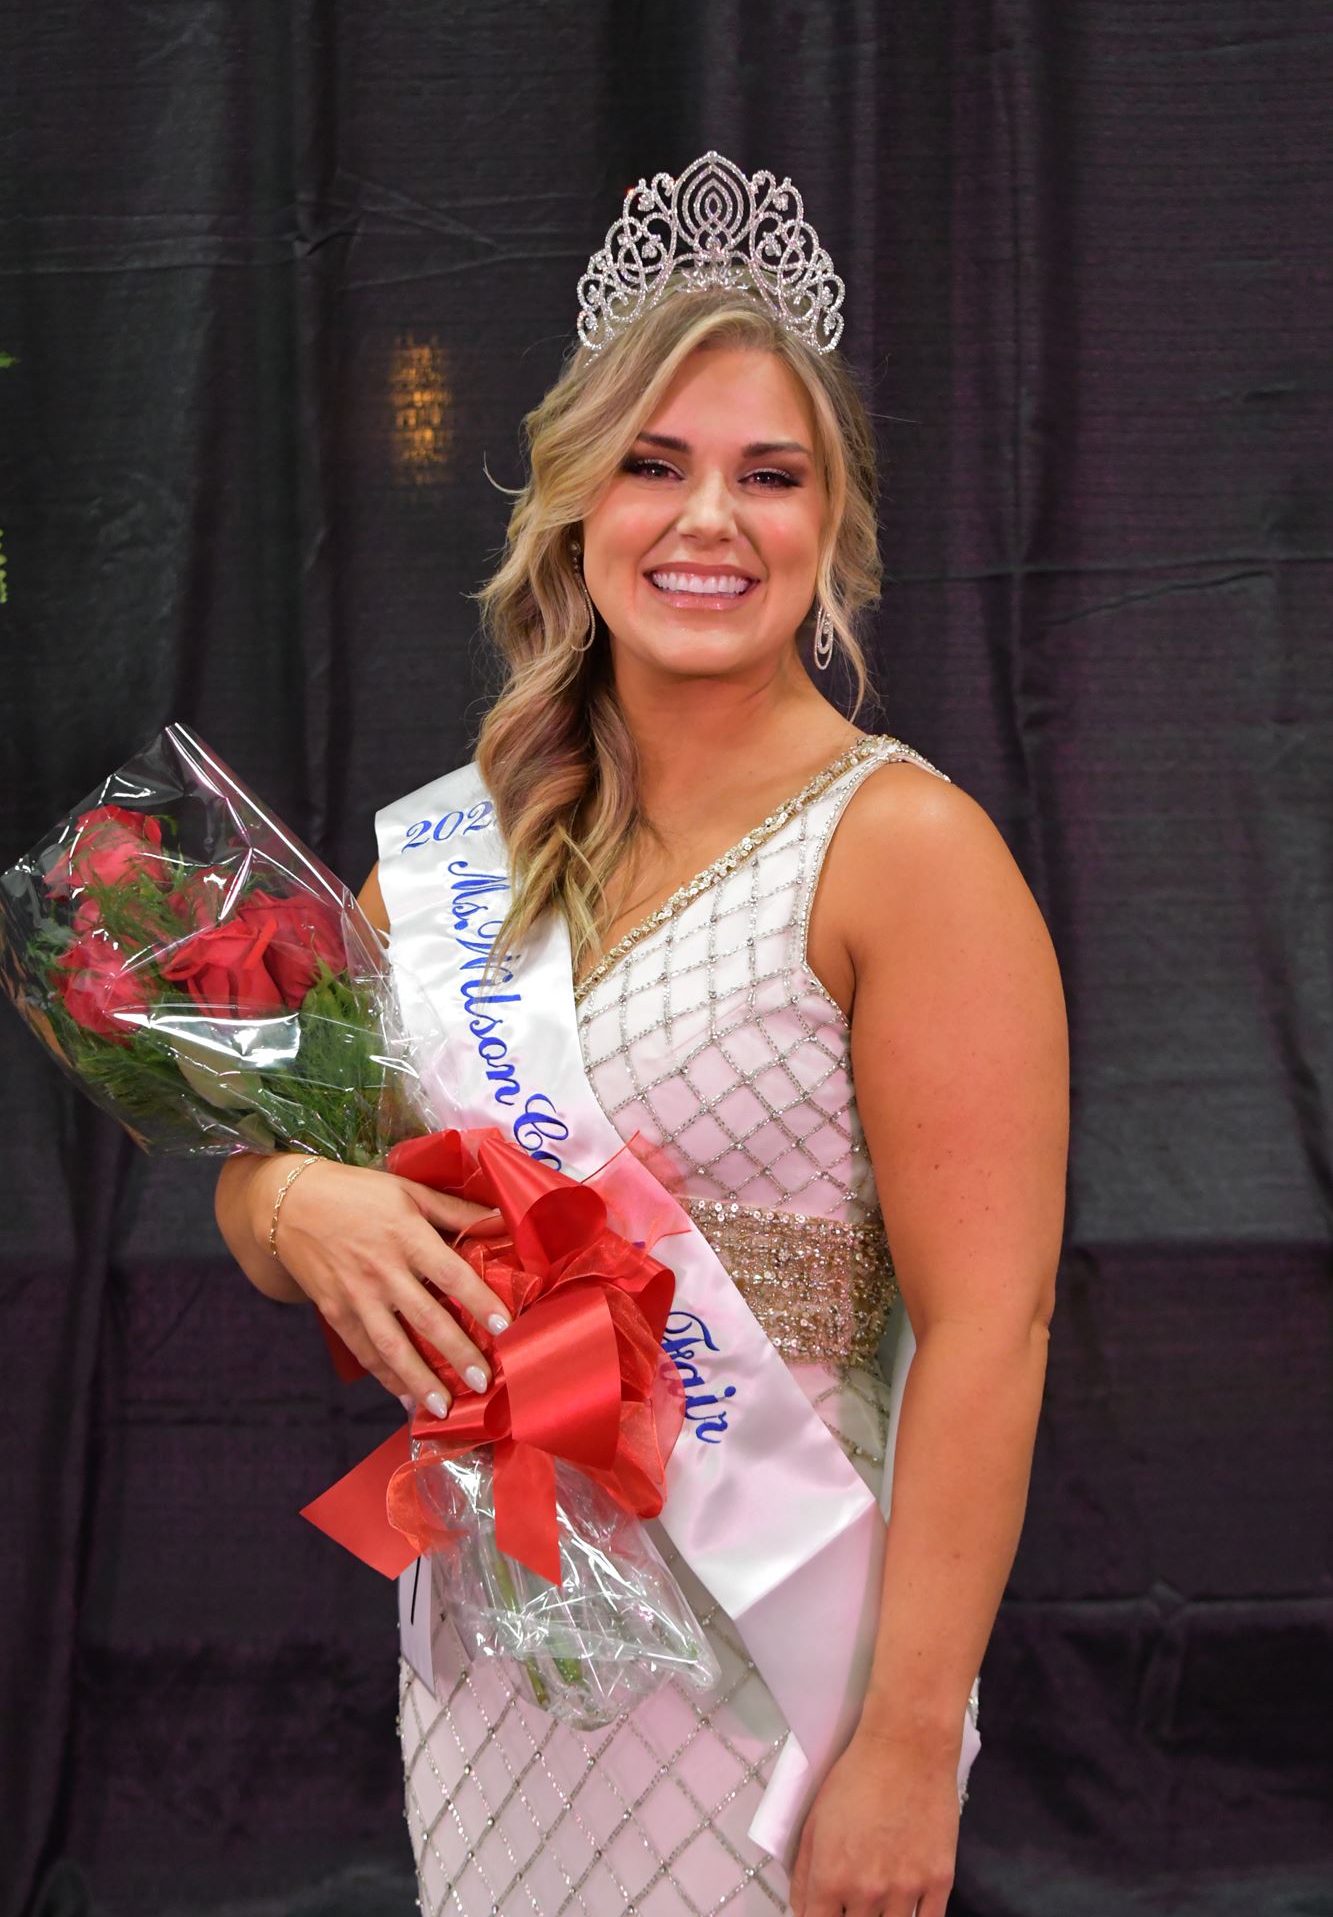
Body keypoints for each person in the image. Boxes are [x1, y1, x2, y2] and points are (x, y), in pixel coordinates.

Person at [215, 153, 1068, 1917]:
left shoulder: (903, 851)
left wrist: (906, 1747)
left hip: (767, 1655)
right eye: (654, 465)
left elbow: (992, 1328)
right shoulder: (449, 853)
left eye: (770, 476)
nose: (708, 522)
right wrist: (304, 1209)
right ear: (572, 502)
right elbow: (266, 1186)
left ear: (829, 526)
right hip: (493, 1636)